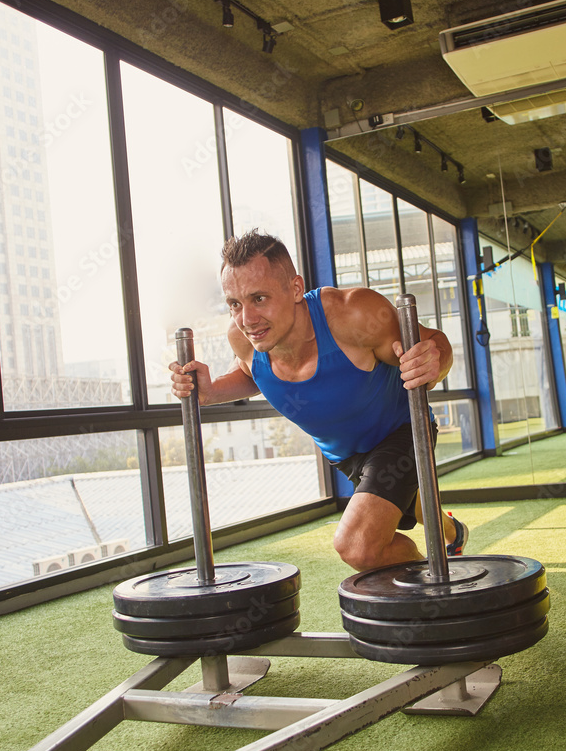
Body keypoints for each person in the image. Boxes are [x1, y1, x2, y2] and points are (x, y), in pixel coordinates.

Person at [169, 230, 467, 572]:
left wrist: (433, 361)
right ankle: (453, 533)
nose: (247, 319)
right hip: (345, 456)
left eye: (259, 298)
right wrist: (211, 391)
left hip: (400, 432)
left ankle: (427, 576)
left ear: (296, 288)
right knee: (412, 501)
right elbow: (254, 374)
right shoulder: (244, 338)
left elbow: (430, 344)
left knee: (358, 547)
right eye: (235, 304)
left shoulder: (352, 315)